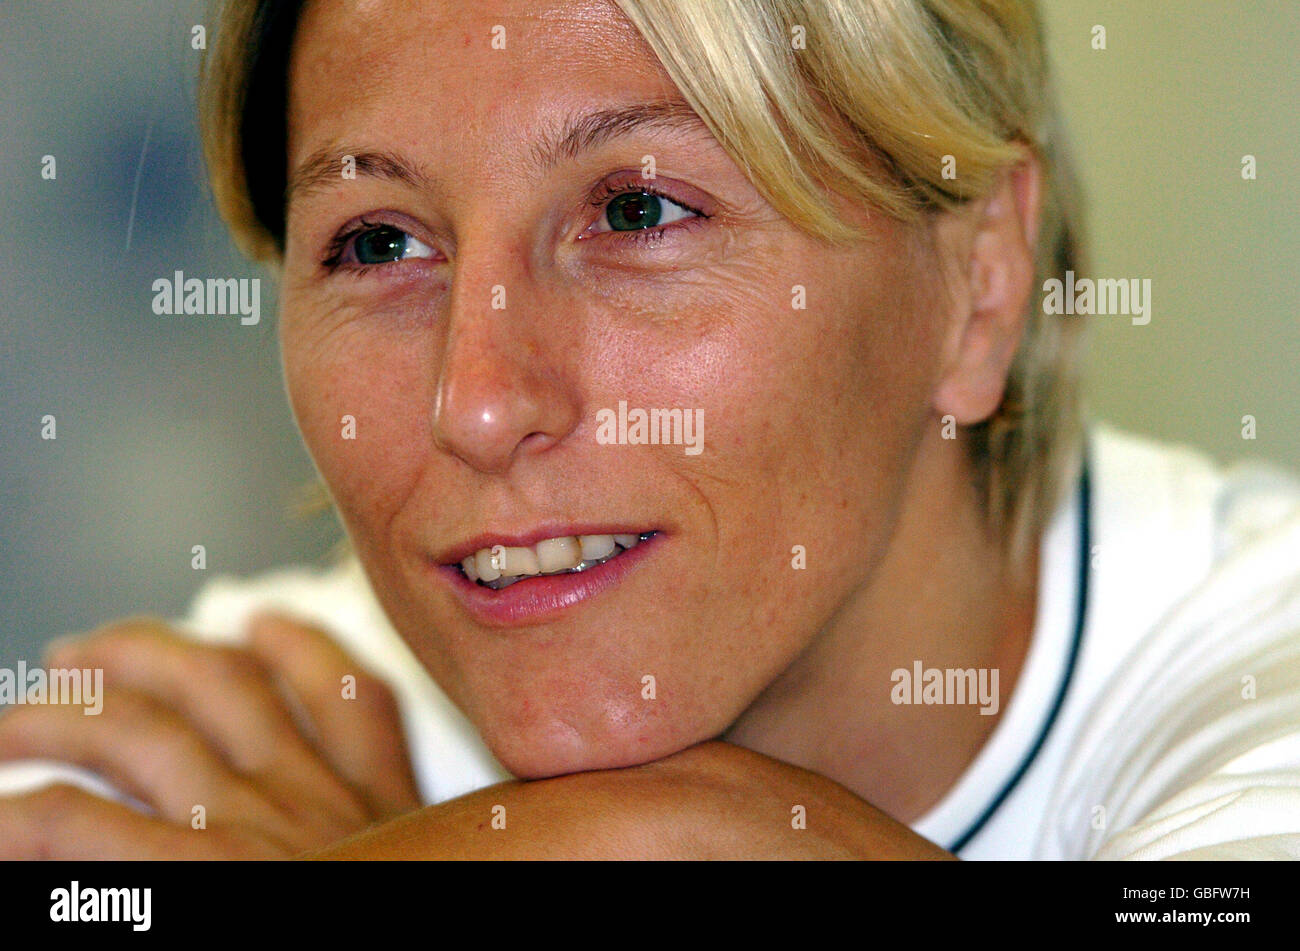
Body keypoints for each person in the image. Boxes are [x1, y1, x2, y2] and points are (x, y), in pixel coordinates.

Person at [2, 0, 1299, 860]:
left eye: (636, 216)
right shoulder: (243, 727)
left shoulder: (1258, 666)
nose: (483, 401)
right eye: (380, 242)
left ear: (981, 285)